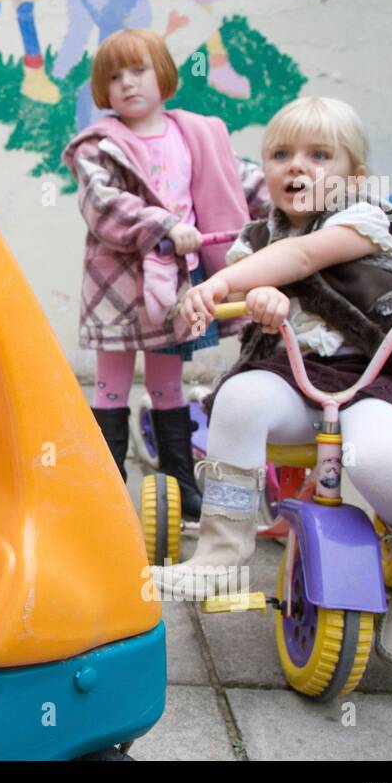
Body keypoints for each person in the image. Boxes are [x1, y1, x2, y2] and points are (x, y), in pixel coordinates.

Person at [165, 96, 392, 667]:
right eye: (281, 154)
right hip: (293, 375)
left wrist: (231, 285)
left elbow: (301, 258)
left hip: (376, 374)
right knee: (240, 399)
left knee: (379, 462)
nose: (298, 166)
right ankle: (221, 549)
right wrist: (250, 301)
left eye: (320, 155)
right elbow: (252, 289)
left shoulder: (364, 219)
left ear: (354, 177)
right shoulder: (255, 243)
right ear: (263, 168)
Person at [61, 27, 269, 517]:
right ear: (104, 90)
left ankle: (179, 483)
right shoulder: (98, 146)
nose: (128, 84)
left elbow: (239, 183)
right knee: (110, 383)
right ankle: (106, 491)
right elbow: (103, 205)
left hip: (177, 283)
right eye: (115, 77)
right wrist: (165, 223)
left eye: (139, 70)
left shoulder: (197, 133)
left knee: (167, 383)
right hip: (117, 283)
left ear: (164, 76)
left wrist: (288, 206)